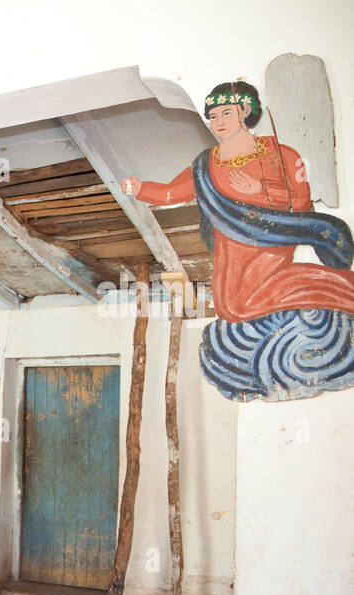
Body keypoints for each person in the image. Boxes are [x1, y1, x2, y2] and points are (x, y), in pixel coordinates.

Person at [121, 80, 354, 400]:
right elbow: (173, 193)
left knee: (244, 302)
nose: (219, 122)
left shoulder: (278, 152)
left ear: (245, 111)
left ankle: (340, 289)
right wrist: (139, 188)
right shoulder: (206, 162)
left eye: (226, 113)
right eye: (213, 116)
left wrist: (255, 192)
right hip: (229, 243)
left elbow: (300, 200)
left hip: (271, 238)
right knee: (230, 307)